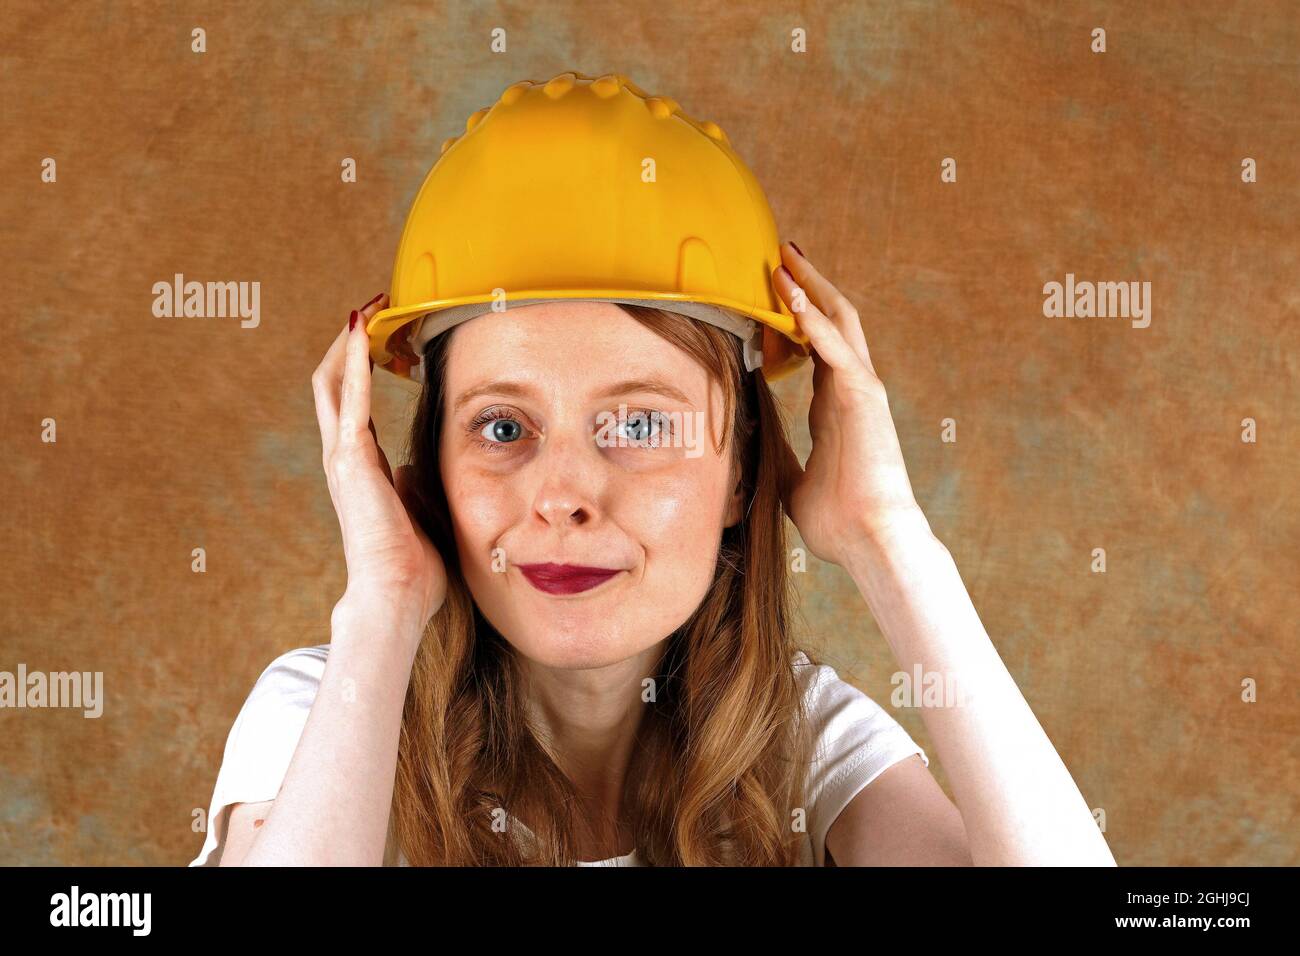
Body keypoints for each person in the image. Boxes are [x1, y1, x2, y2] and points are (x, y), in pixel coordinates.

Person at [191, 72, 1116, 867]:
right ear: (429, 464)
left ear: (745, 474)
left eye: (636, 423)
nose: (562, 498)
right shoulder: (331, 707)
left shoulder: (803, 739)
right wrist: (386, 601)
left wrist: (888, 543)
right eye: (503, 426)